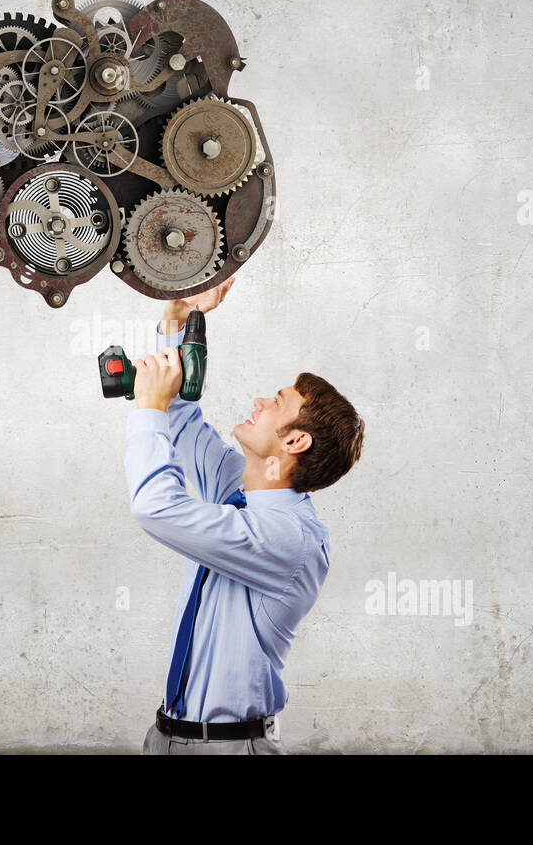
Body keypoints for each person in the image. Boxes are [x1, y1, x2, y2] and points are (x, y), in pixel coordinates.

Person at [124, 276, 365, 754]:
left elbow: (154, 507)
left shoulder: (287, 536)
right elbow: (184, 422)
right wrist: (176, 321)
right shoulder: (241, 490)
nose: (260, 401)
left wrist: (147, 406)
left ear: (295, 441)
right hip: (167, 738)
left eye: (277, 403)